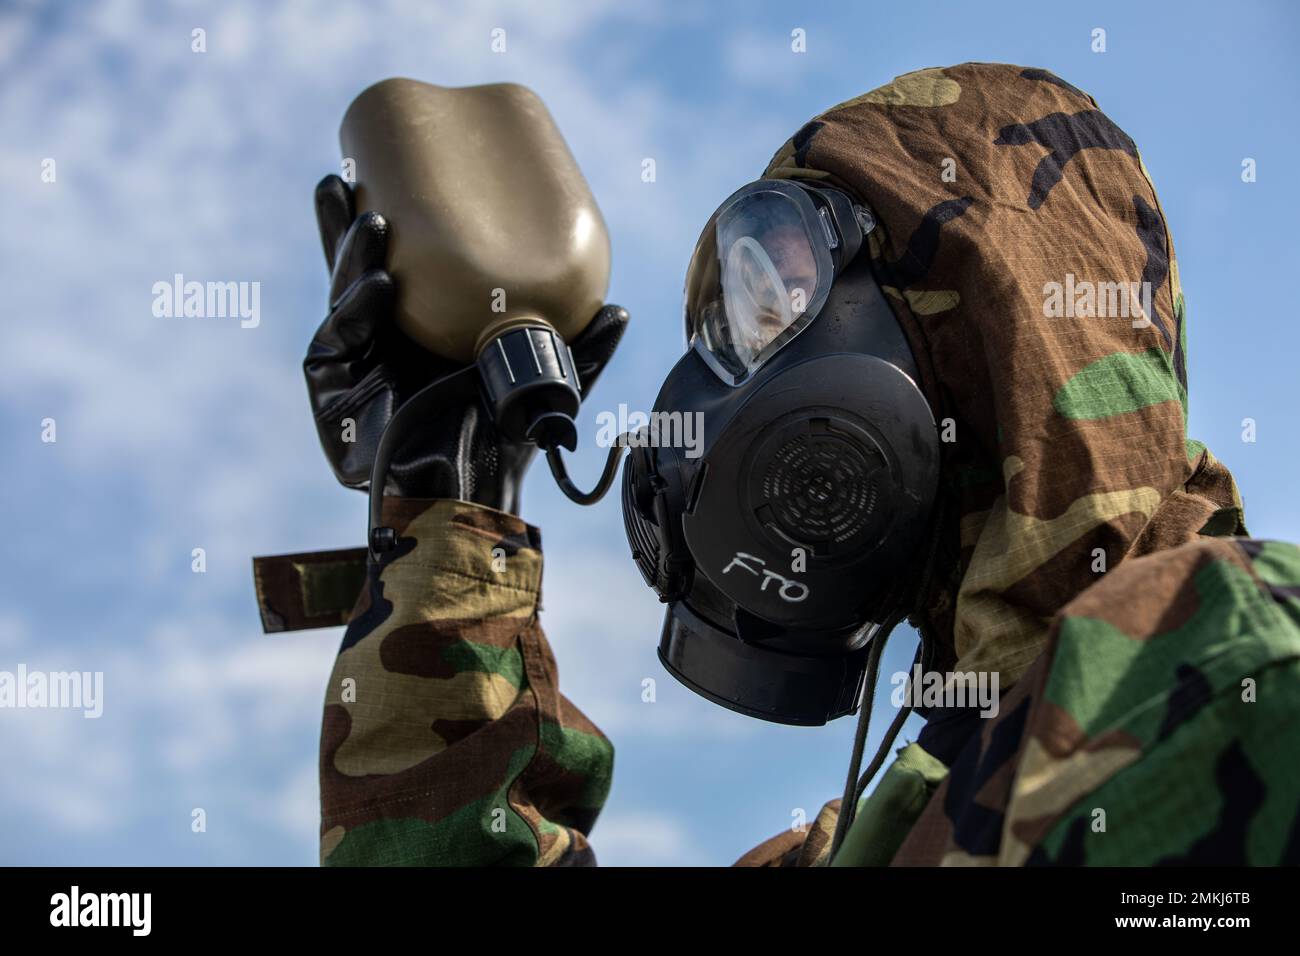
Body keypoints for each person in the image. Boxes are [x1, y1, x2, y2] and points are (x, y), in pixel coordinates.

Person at [254, 62, 1300, 866]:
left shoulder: (1236, 670)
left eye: (772, 309)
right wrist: (452, 505)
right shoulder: (899, 818)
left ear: (989, 325)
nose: (725, 388)